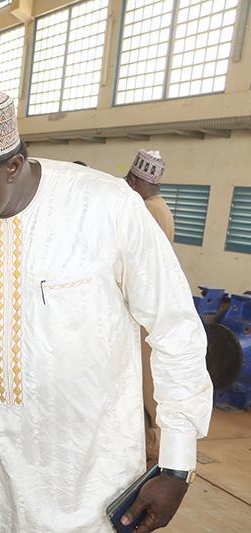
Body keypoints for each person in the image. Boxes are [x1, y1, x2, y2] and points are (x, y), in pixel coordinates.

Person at [0, 86, 213, 532]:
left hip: (90, 490)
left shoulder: (107, 206)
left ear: (12, 167)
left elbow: (176, 329)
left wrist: (177, 464)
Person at [126, 149, 176, 464]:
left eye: (130, 181)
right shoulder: (161, 206)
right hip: (149, 303)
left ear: (136, 180)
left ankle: (149, 448)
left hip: (143, 308)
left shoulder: (147, 211)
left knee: (142, 384)